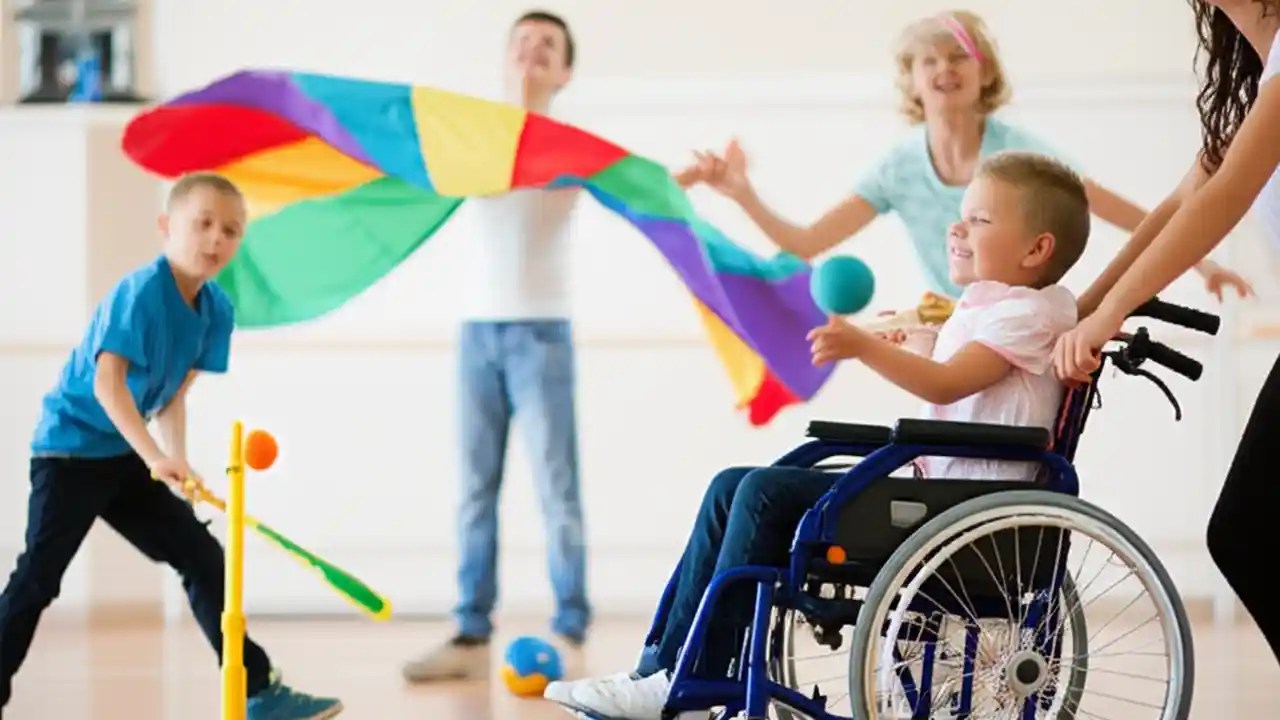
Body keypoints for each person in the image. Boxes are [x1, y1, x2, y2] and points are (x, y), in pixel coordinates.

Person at [547, 150, 1090, 719]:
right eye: (963, 213)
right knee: (732, 485)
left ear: (1036, 249)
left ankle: (693, 681)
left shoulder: (1028, 314)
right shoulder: (992, 306)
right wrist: (916, 340)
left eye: (980, 219)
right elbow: (967, 384)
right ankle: (664, 670)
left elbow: (950, 385)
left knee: (764, 493)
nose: (957, 226)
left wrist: (866, 347)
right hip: (943, 503)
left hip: (963, 516)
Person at [0, 173, 342, 719]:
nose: (215, 240)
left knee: (203, 556)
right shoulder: (139, 294)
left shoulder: (216, 312)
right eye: (202, 224)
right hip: (69, 451)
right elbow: (106, 385)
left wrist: (174, 457)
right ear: (166, 227)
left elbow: (170, 396)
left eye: (230, 231)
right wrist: (154, 456)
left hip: (125, 454)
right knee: (39, 577)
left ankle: (260, 691)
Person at [676, 10, 1252, 311]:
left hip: (1017, 320)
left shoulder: (1020, 153)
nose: (944, 69)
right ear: (912, 81)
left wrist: (1204, 267)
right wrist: (742, 192)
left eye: (959, 57)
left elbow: (1120, 212)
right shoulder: (898, 167)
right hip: (950, 324)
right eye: (928, 62)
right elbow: (805, 244)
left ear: (986, 74)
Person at [1054, 0, 1280, 663]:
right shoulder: (1254, 80)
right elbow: (1181, 202)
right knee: (1251, 532)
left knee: (1245, 531)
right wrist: (1083, 308)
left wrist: (1109, 313)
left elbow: (1221, 201)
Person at [401, 9, 590, 683]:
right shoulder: (473, 139)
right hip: (477, 332)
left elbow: (638, 192)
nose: (534, 53)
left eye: (549, 46)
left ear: (564, 70)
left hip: (543, 332)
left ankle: (570, 629)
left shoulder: (571, 144)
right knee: (474, 491)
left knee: (556, 490)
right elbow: (413, 173)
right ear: (507, 58)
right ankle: (470, 632)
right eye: (524, 43)